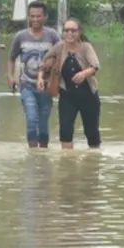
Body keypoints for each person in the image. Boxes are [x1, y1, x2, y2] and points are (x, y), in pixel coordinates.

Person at [37, 18, 102, 149]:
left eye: (73, 30)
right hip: (67, 96)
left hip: (88, 96)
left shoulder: (85, 47)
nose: (69, 33)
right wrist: (40, 78)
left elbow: (95, 66)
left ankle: (94, 162)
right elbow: (43, 63)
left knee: (92, 132)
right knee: (65, 132)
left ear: (79, 32)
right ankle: (67, 163)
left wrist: (84, 74)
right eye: (66, 30)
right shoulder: (59, 47)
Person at [8, 1, 61, 148]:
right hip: (27, 85)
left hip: (47, 86)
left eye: (39, 16)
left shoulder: (52, 36)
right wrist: (11, 77)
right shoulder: (21, 36)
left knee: (43, 122)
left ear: (45, 17)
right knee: (31, 118)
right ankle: (32, 152)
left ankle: (43, 152)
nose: (35, 20)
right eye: (32, 16)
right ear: (28, 17)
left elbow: (61, 54)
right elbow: (12, 58)